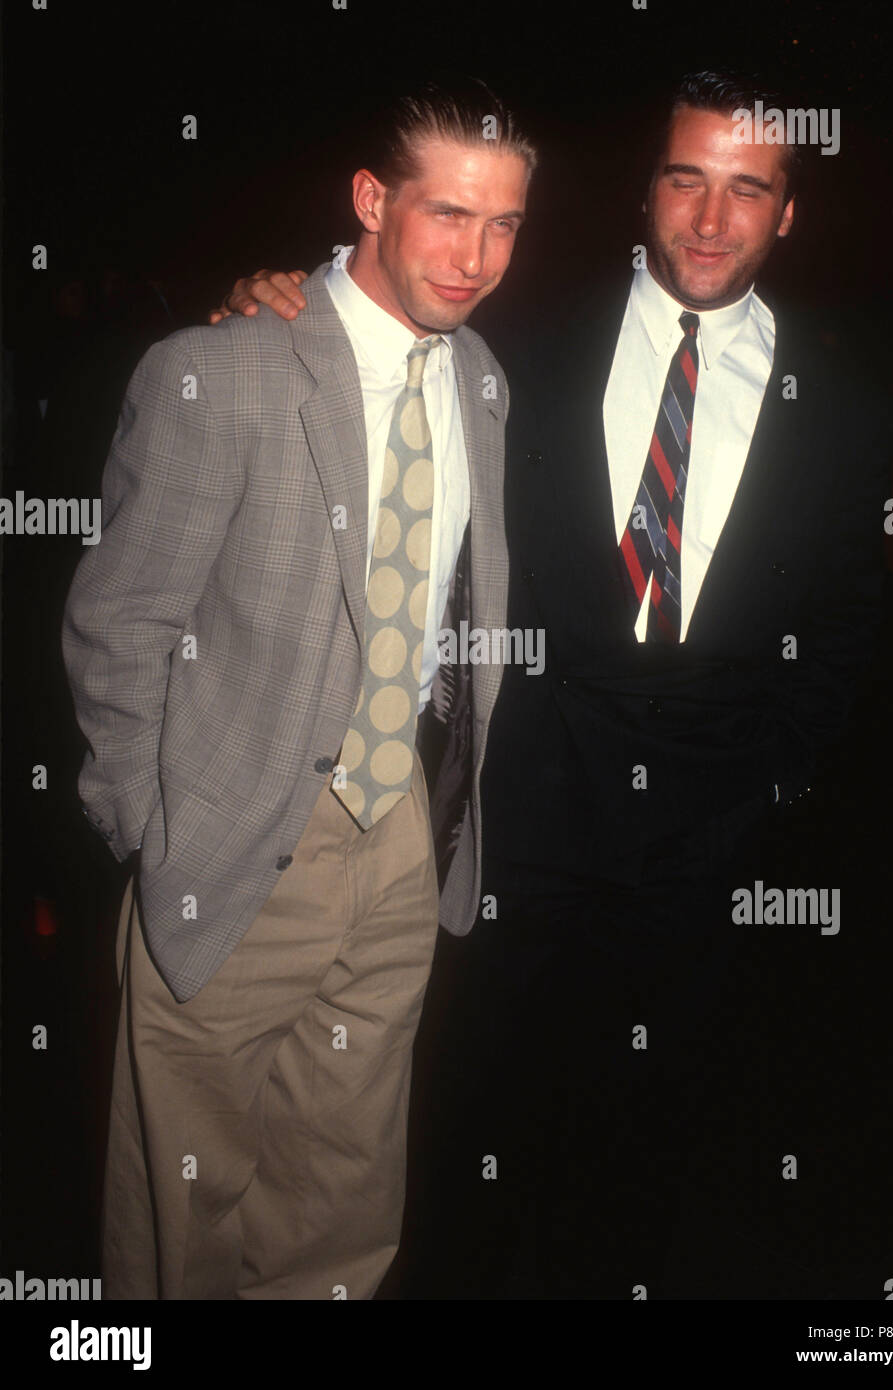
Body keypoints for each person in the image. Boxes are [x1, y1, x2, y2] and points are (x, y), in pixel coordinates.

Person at [216, 70, 893, 1297]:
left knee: (653, 1171)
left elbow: (844, 637)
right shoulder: (509, 340)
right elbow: (376, 318)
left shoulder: (844, 409)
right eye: (686, 178)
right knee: (465, 1158)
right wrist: (275, 302)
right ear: (649, 190)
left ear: (788, 214)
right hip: (513, 840)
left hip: (711, 864)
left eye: (750, 191)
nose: (708, 217)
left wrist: (768, 797)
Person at [61, 78, 534, 1300]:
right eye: (445, 215)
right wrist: (154, 833)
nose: (475, 257)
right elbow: (119, 627)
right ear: (373, 199)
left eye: (504, 225)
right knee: (181, 1210)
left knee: (342, 1193)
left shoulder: (479, 379)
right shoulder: (218, 373)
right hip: (231, 840)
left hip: (400, 848)